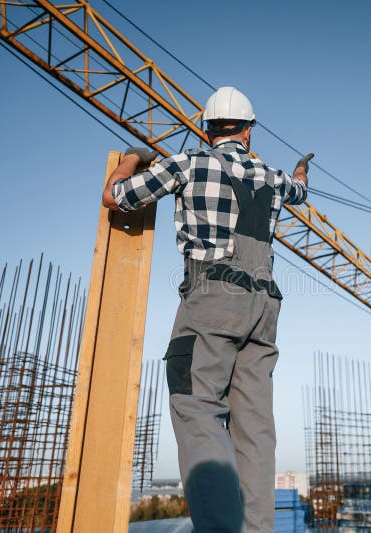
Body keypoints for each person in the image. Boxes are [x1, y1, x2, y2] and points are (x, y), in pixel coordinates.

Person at [101, 86, 312, 532]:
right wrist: (299, 167)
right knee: (254, 426)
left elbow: (116, 196)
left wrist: (133, 158)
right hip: (264, 308)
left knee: (198, 409)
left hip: (212, 299)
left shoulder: (189, 162)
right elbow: (300, 191)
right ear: (249, 131)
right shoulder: (273, 177)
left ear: (206, 127)